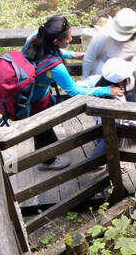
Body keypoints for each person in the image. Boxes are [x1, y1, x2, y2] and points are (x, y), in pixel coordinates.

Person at [23, 14, 123, 169]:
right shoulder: (56, 68)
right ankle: (47, 161)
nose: (71, 40)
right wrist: (106, 90)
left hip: (29, 93)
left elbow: (47, 50)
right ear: (56, 41)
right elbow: (74, 91)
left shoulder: (35, 37)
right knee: (44, 130)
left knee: (42, 130)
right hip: (36, 101)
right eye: (68, 38)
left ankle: (45, 157)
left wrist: (74, 55)